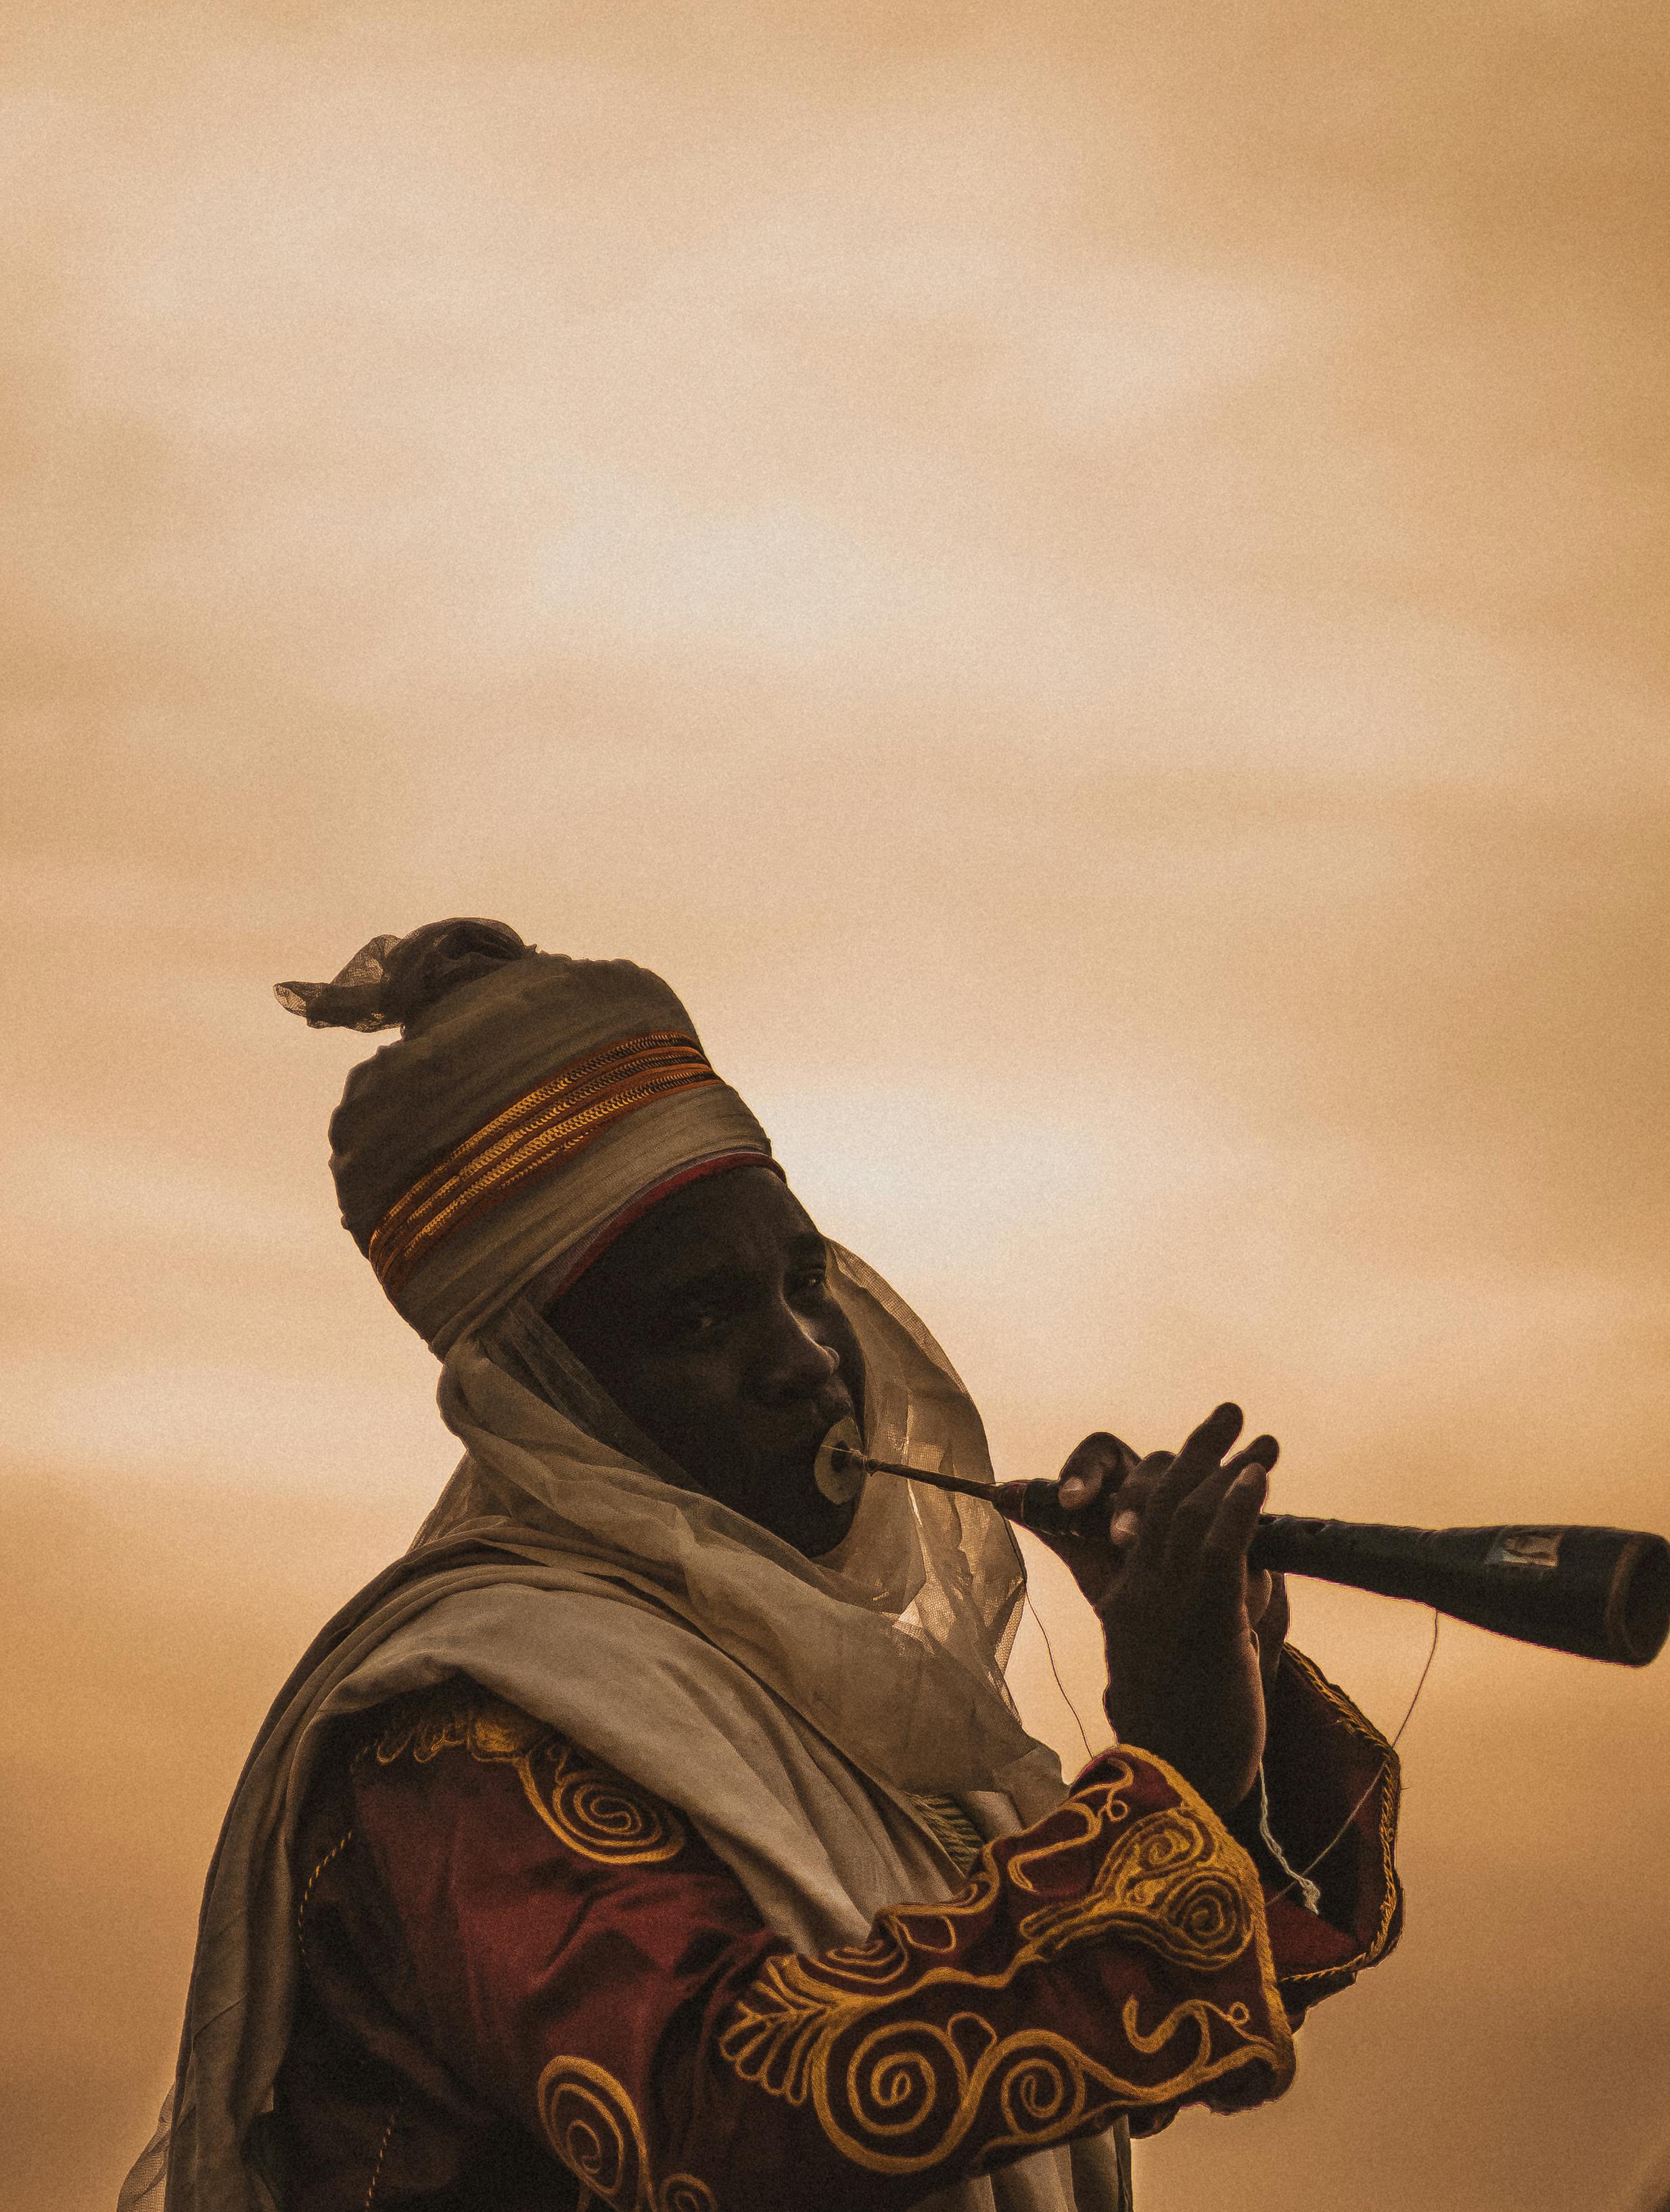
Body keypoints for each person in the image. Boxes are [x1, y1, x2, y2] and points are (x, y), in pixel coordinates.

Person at [119, 918, 1400, 2212]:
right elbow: (723, 2118)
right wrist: (1166, 1766)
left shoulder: (826, 1707)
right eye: (700, 1318)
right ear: (553, 1395)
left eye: (803, 1280)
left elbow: (1117, 2048)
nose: (802, 1355)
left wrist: (1223, 1702)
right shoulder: (463, 1727)